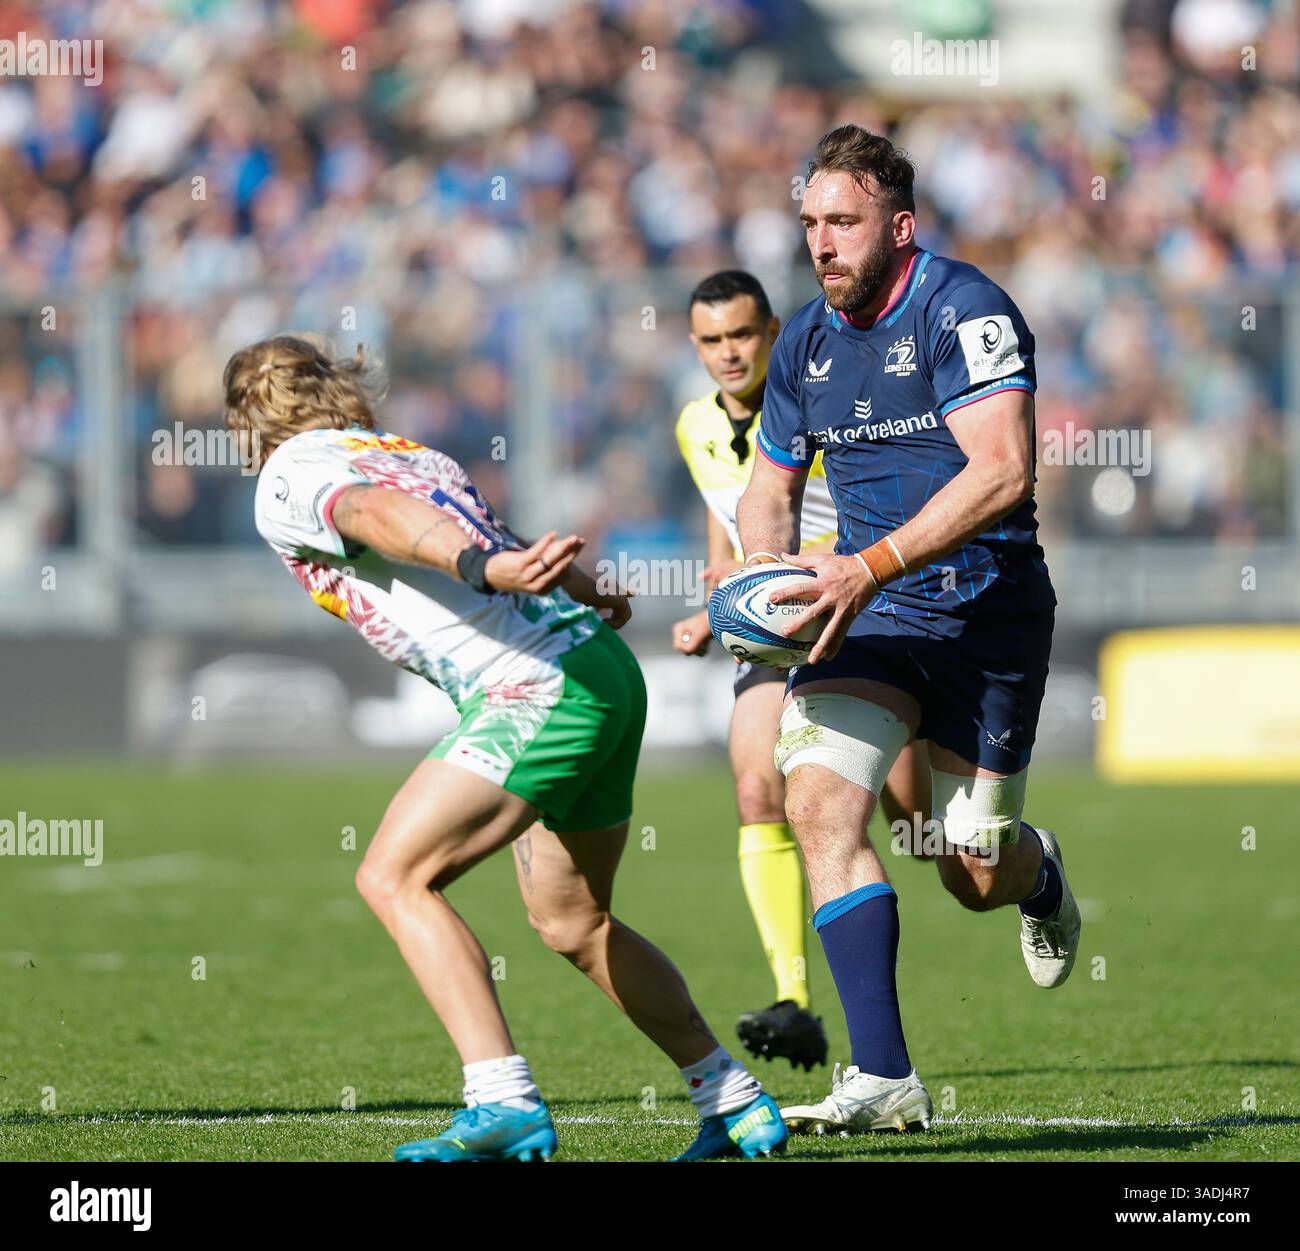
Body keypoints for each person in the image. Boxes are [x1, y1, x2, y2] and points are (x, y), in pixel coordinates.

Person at [224, 334, 787, 1161]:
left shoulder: (290, 473)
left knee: (393, 874)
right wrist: (585, 586)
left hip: (535, 685)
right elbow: (495, 527)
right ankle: (734, 1101)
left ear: (247, 424)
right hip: (598, 665)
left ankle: (501, 1098)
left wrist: (483, 567)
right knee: (574, 920)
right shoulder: (408, 451)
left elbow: (374, 516)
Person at [734, 126, 1081, 1136]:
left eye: (841, 222)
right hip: (868, 615)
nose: (821, 243)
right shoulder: (801, 340)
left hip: (985, 612)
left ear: (897, 223)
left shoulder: (962, 309)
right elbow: (769, 492)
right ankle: (882, 1075)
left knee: (969, 867)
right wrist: (761, 581)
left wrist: (867, 561)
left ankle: (1038, 871)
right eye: (808, 224)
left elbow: (1003, 470)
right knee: (819, 805)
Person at [672, 269, 931, 1071]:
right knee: (756, 785)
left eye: (742, 335)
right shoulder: (692, 426)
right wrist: (712, 602)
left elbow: (878, 516)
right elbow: (726, 533)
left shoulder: (825, 408)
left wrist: (814, 570)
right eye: (712, 340)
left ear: (774, 331)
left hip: (865, 618)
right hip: (777, 641)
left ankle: (1017, 866)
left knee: (936, 843)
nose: (728, 353)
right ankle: (794, 1000)